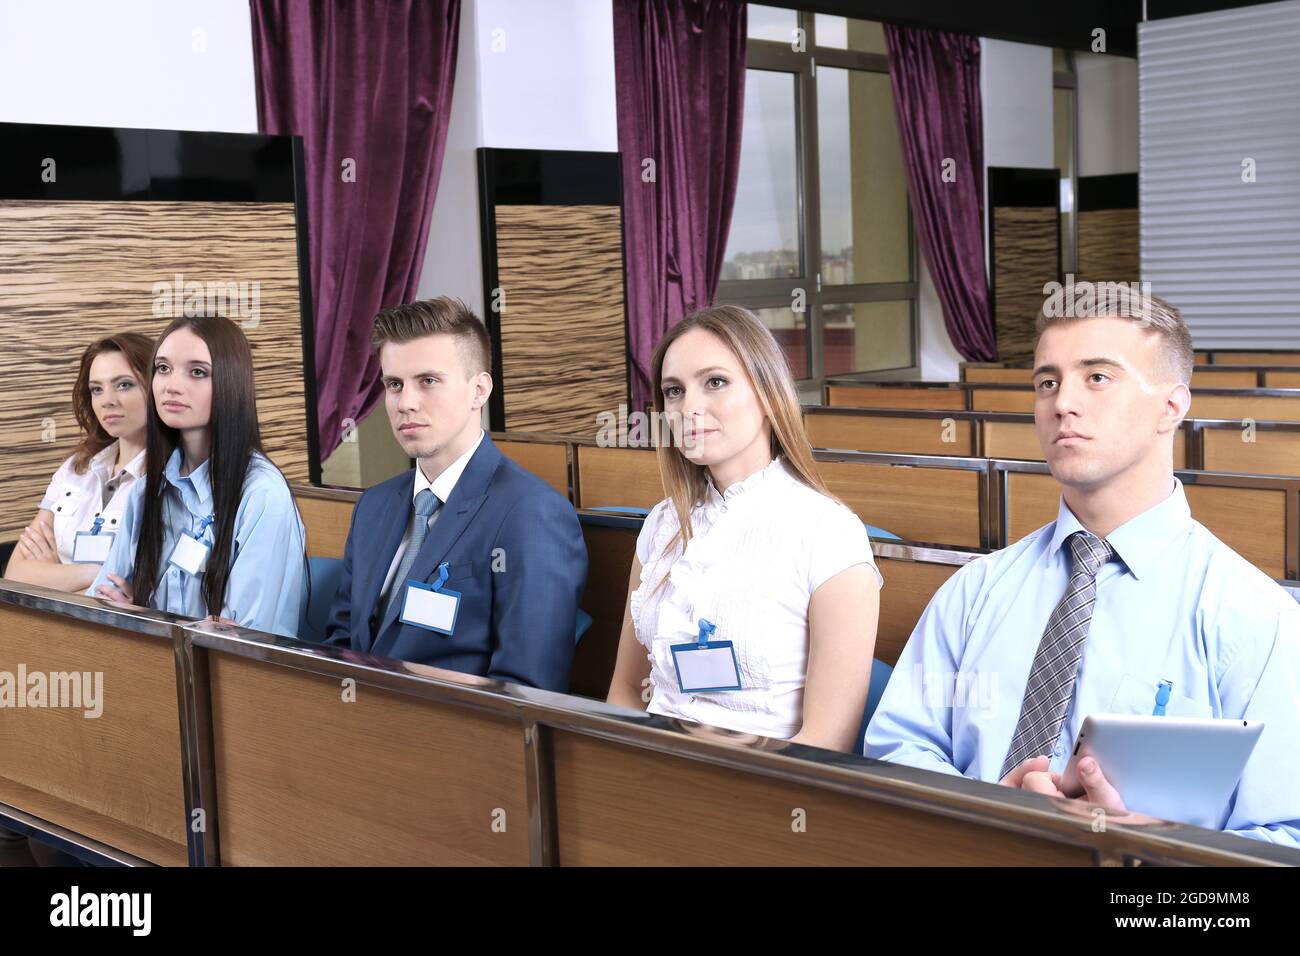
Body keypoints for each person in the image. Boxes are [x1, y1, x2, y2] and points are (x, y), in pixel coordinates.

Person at [865, 287, 1300, 846]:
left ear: (1171, 406)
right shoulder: (976, 590)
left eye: (1097, 377)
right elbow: (902, 744)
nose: (1063, 403)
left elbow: (1287, 834)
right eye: (1047, 381)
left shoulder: (1254, 619)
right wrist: (992, 805)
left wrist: (1156, 844)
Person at [605, 306, 882, 751]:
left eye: (715, 382)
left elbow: (827, 742)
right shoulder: (661, 524)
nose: (689, 407)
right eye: (674, 391)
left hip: (770, 790)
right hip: (652, 773)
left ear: (770, 395)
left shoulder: (828, 533)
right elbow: (625, 693)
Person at [323, 297, 586, 692]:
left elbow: (527, 691)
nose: (405, 403)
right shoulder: (373, 505)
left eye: (428, 381)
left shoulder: (532, 514)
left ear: (479, 390)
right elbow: (341, 643)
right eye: (394, 384)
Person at [88, 315, 307, 639]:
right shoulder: (147, 490)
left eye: (197, 372)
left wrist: (141, 615)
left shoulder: (262, 494)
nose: (172, 385)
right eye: (163, 368)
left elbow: (240, 638)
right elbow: (102, 605)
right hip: (152, 671)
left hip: (243, 681)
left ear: (230, 384)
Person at [5, 333, 153, 592]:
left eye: (124, 385)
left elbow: (137, 594)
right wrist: (93, 573)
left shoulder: (171, 478)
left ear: (155, 387)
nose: (107, 400)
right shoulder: (75, 468)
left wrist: (53, 574)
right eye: (97, 389)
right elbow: (16, 573)